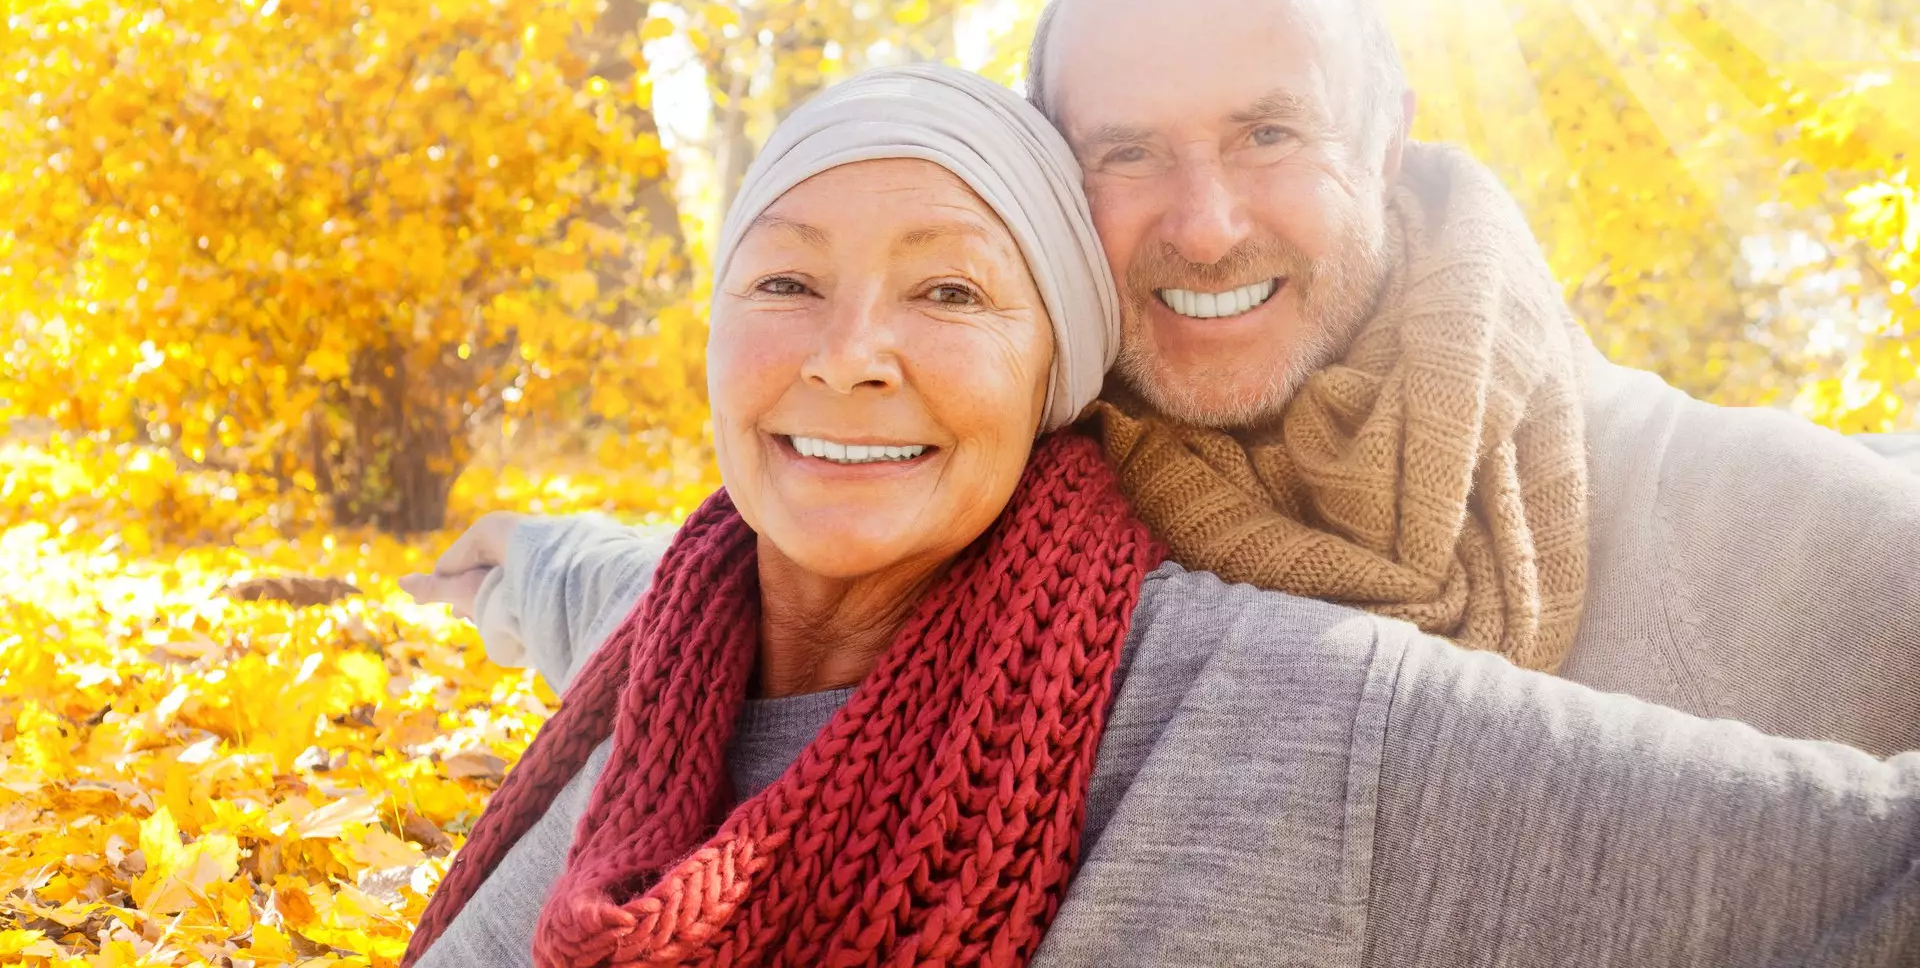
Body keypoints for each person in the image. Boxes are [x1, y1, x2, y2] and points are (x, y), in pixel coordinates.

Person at [402, 63, 1920, 968]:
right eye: (785, 277)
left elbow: (1853, 868)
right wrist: (511, 556)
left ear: (1055, 365)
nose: (849, 347)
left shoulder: (1277, 716)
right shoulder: (667, 641)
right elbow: (600, 578)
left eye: (948, 289)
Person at [1019, 0, 1920, 755]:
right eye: (1125, 154)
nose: (1205, 227)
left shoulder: (1767, 529)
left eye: (1267, 134)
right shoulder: (985, 553)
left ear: (1382, 148)